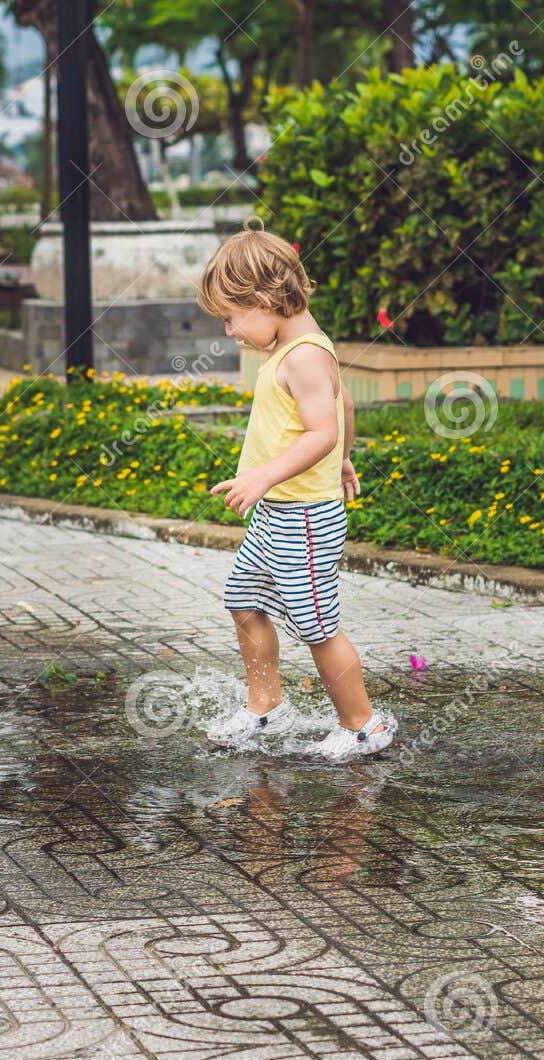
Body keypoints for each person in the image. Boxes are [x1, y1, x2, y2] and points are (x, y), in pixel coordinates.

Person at [196, 229, 396, 759]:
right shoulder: (296, 348)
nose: (230, 329)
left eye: (232, 316)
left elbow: (322, 431)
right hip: (277, 515)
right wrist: (346, 458)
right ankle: (266, 707)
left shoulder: (302, 356)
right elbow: (343, 406)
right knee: (243, 600)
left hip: (303, 517)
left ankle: (362, 723)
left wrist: (265, 476)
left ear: (263, 300)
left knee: (316, 626)